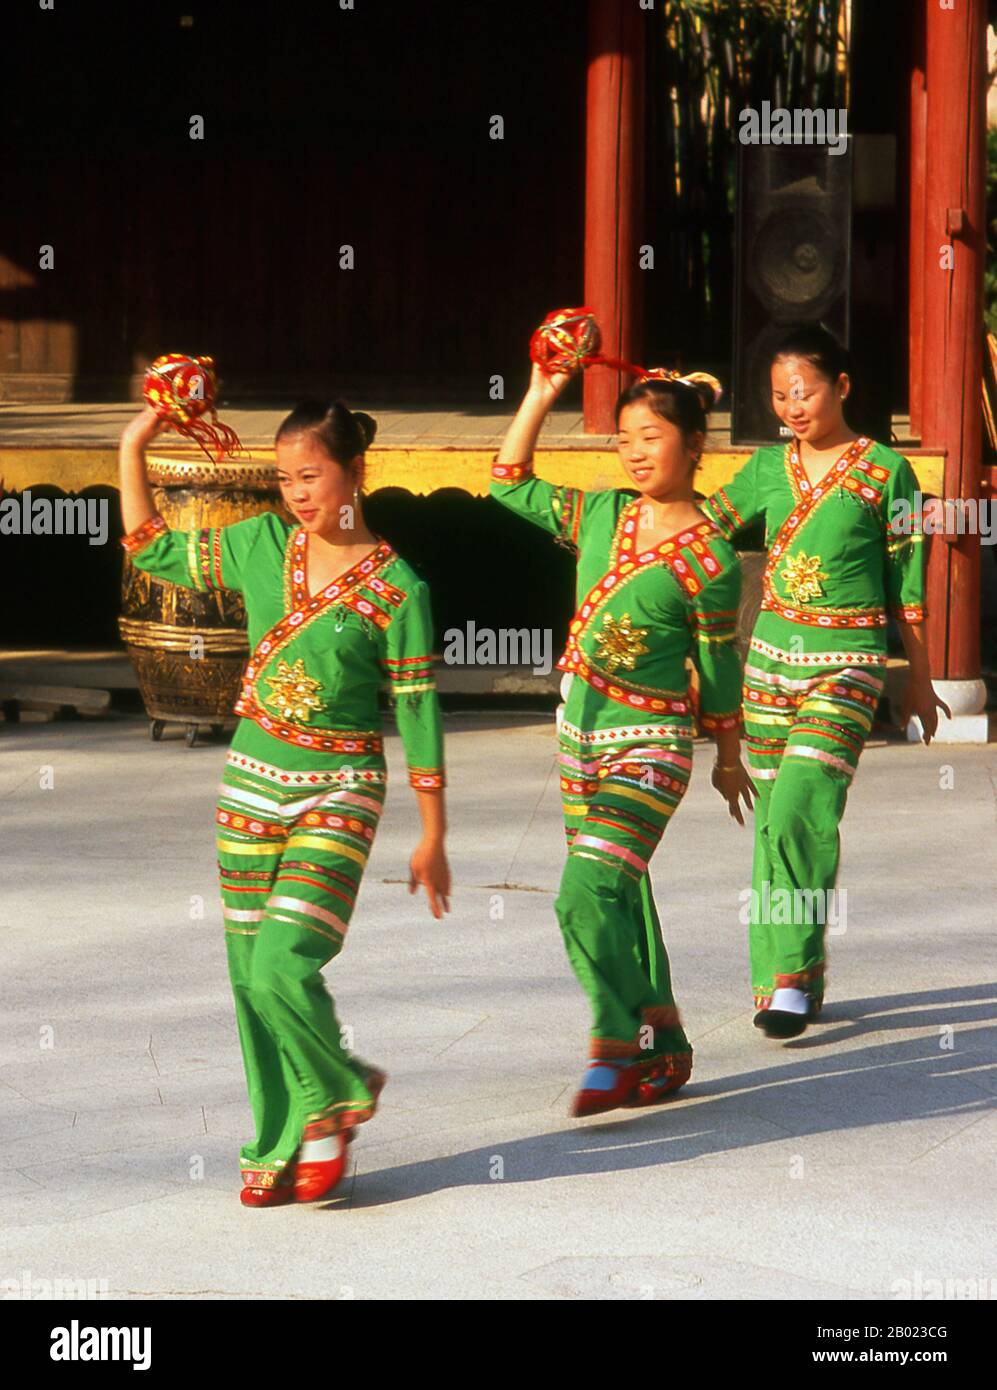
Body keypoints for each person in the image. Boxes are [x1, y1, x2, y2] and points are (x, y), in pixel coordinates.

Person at [118, 398, 450, 1205]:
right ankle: (280, 1139)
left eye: (311, 475)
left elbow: (417, 711)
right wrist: (137, 438)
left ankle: (334, 1096)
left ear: (353, 472)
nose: (297, 493)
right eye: (284, 479)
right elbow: (152, 552)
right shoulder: (258, 544)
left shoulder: (401, 588)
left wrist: (433, 835)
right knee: (246, 972)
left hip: (341, 788)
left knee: (281, 962)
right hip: (249, 787)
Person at [491, 358, 753, 1118]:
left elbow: (717, 668)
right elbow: (507, 481)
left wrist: (727, 758)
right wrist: (541, 388)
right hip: (578, 738)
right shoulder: (602, 515)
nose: (635, 452)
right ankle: (663, 1051)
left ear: (695, 442)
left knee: (583, 894)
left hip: (652, 745)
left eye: (652, 436)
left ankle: (616, 1036)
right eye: (623, 439)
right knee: (620, 898)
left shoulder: (711, 559)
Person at [703, 325, 948, 1039]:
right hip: (767, 666)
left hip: (846, 663)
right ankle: (791, 972)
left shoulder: (884, 471)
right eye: (778, 396)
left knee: (803, 804)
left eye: (803, 391)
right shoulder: (763, 468)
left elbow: (908, 581)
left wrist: (920, 678)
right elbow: (707, 531)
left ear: (841, 386)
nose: (790, 407)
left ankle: (786, 978)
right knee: (774, 819)